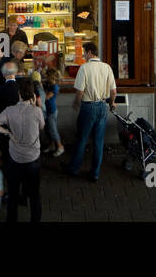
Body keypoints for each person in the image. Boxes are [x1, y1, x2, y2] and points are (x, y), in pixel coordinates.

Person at [0, 77, 46, 222]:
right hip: (33, 159)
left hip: (15, 159)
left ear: (19, 94)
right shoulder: (37, 111)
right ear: (32, 94)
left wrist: (7, 133)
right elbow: (42, 127)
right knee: (35, 196)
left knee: (13, 196)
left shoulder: (10, 110)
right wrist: (34, 105)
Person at [66, 40, 117, 182]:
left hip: (88, 107)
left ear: (89, 52)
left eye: (84, 53)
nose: (83, 56)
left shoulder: (84, 68)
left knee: (82, 139)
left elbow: (80, 91)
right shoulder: (107, 67)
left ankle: (74, 168)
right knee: (98, 142)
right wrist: (112, 102)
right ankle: (95, 172)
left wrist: (76, 103)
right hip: (102, 106)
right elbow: (113, 91)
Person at [42, 66, 64, 157]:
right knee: (48, 129)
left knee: (53, 130)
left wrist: (40, 87)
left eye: (47, 76)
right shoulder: (50, 84)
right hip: (47, 110)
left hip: (51, 110)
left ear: (51, 77)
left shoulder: (54, 87)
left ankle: (60, 147)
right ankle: (52, 145)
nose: (46, 77)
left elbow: (46, 97)